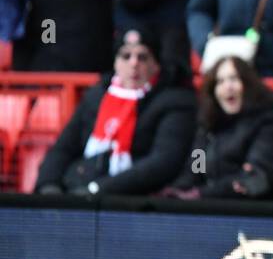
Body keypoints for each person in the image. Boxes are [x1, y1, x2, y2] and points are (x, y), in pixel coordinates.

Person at [34, 26, 197, 197]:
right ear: (115, 62)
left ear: (156, 65)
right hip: (80, 187)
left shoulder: (175, 102)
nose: (134, 63)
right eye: (126, 56)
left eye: (142, 57)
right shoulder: (96, 96)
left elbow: (163, 162)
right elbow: (64, 147)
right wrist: (49, 185)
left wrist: (97, 190)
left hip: (133, 199)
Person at [163, 54, 273, 200]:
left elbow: (252, 177)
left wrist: (200, 194)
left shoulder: (270, 122)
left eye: (234, 79)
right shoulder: (207, 127)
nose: (227, 87)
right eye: (220, 81)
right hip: (209, 206)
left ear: (248, 84)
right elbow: (195, 169)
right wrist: (177, 191)